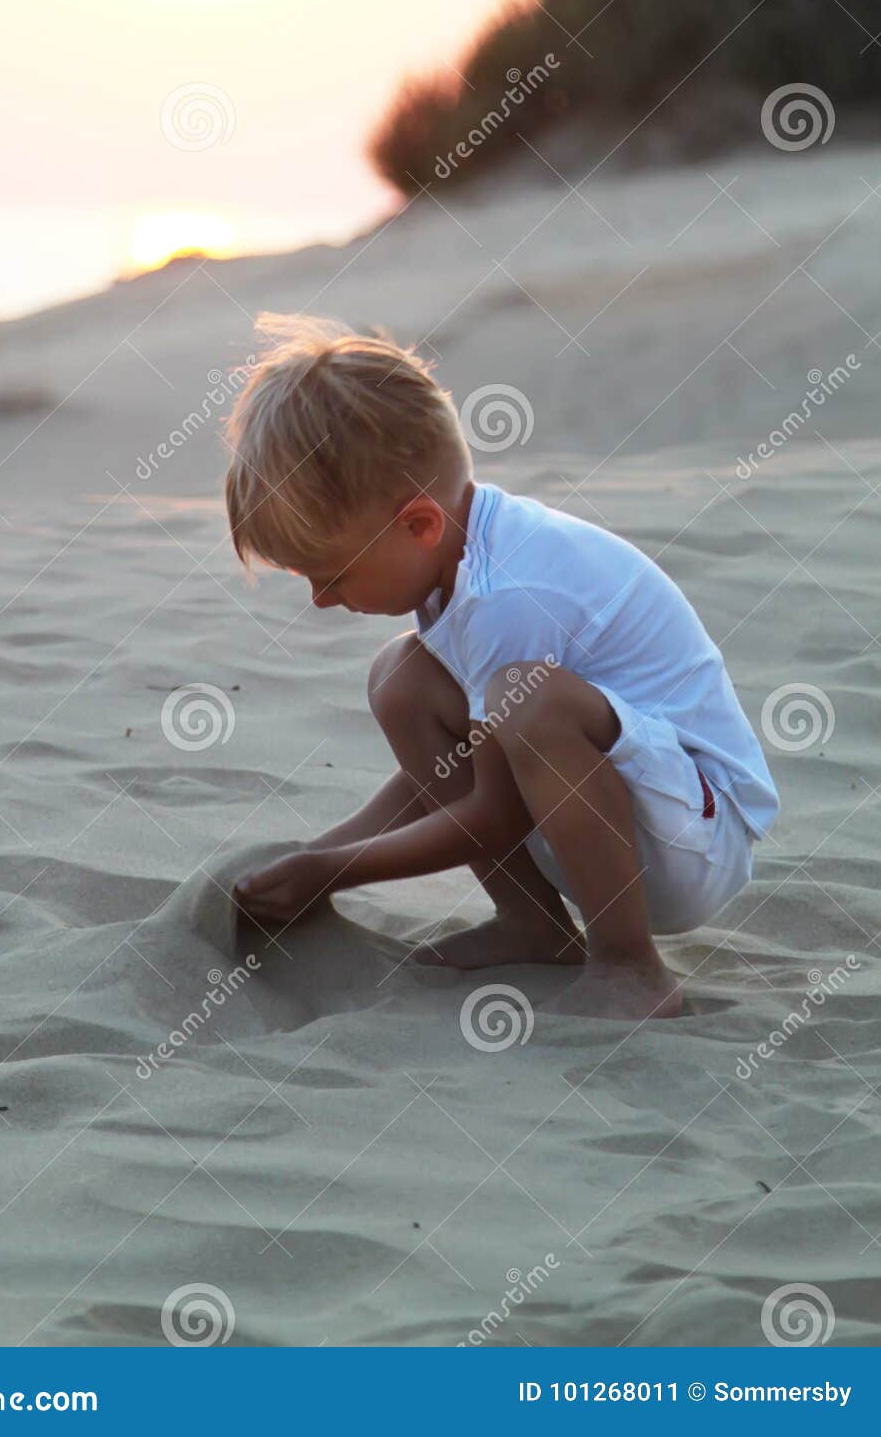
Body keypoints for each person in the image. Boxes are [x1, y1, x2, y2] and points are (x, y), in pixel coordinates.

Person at [224, 315, 778, 1020]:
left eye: (332, 573)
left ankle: (629, 967)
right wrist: (311, 858)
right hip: (611, 817)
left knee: (528, 701)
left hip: (692, 840)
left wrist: (334, 870)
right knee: (403, 679)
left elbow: (489, 813)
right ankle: (533, 923)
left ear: (418, 525)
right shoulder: (457, 561)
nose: (322, 600)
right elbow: (455, 769)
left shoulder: (508, 595)